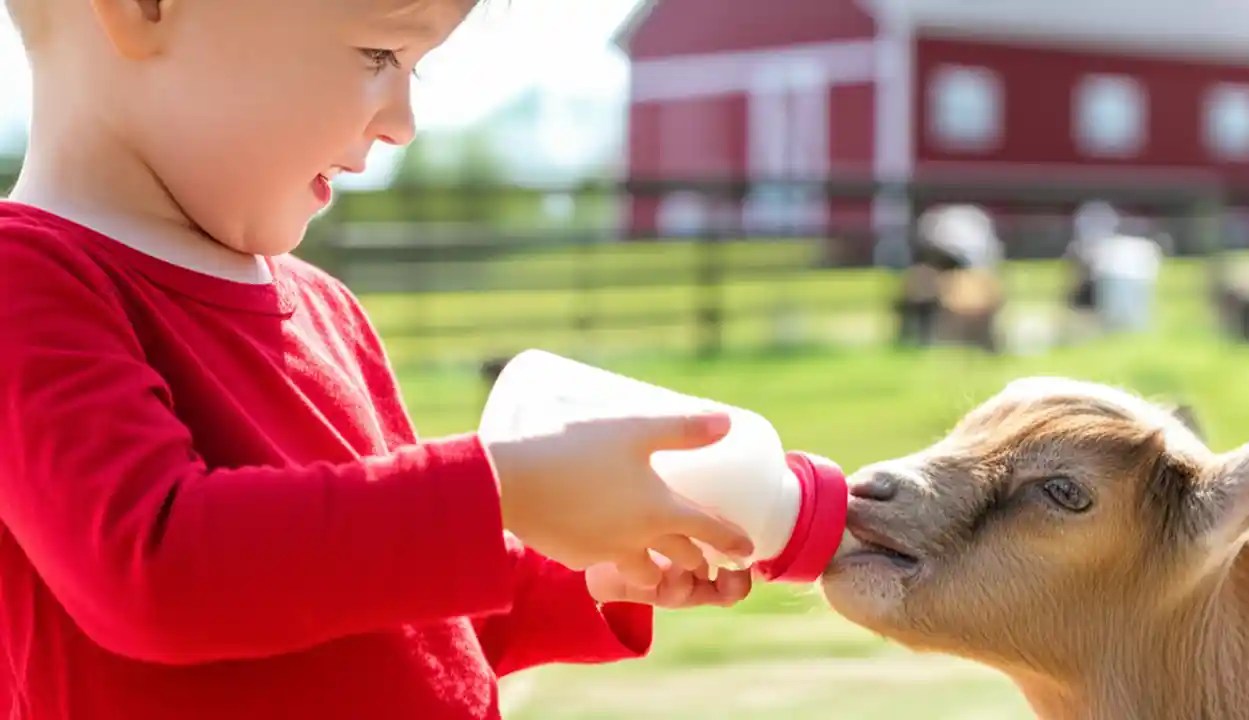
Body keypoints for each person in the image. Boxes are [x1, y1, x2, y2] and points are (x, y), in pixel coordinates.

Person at [0, 1, 756, 718]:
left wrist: (592, 575)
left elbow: (391, 590)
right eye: (378, 53)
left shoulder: (328, 311)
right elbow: (157, 569)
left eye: (412, 69)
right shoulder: (26, 283)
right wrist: (502, 491)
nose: (402, 124)